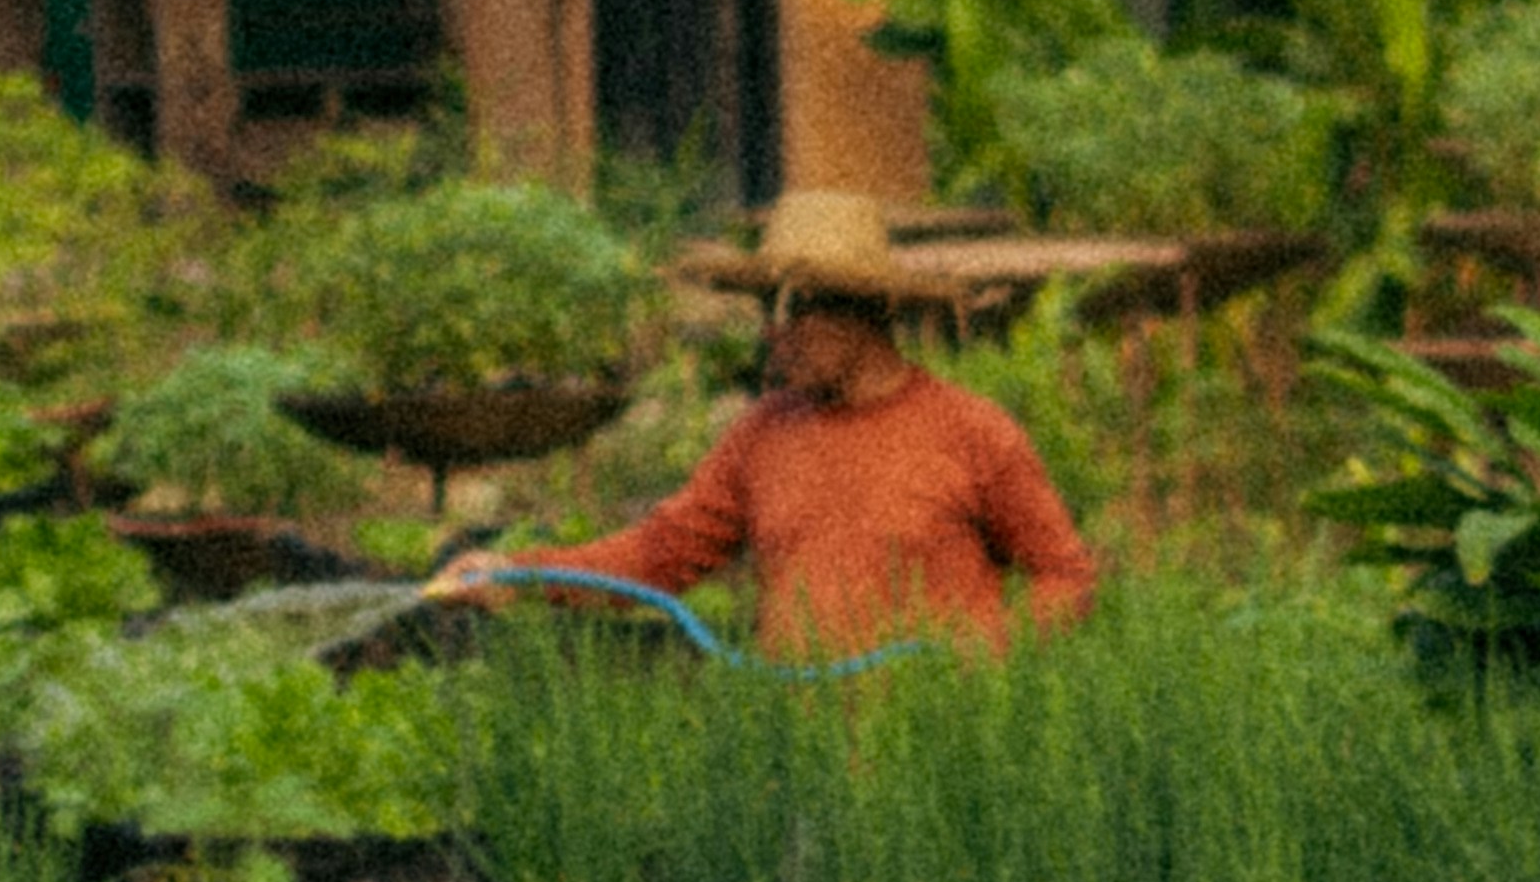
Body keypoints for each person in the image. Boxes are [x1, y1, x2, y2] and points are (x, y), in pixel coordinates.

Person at [451, 177, 1098, 656]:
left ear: (859, 314)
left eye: (790, 314)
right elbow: (660, 555)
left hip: (937, 759)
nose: (772, 335)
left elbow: (1066, 576)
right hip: (798, 748)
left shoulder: (971, 431)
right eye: (766, 312)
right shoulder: (761, 435)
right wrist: (520, 574)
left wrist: (994, 643)